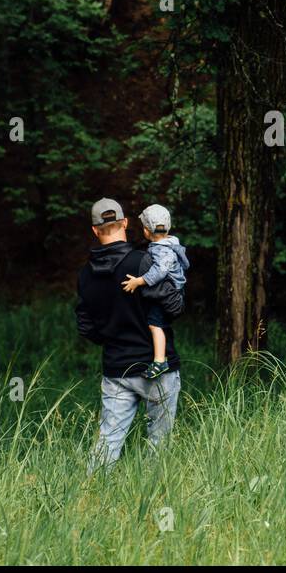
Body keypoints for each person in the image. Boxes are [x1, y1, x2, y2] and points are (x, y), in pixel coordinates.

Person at [75, 197, 181, 473]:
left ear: (95, 230)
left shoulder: (85, 275)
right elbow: (174, 306)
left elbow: (86, 327)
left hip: (116, 370)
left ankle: (90, 498)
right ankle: (153, 499)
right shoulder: (145, 261)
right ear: (124, 223)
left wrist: (113, 338)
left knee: (107, 441)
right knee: (159, 445)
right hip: (157, 368)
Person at [120, 203, 190, 379]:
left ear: (146, 231)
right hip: (174, 292)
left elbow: (160, 271)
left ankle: (160, 361)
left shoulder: (162, 249)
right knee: (157, 324)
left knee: (155, 324)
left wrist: (139, 281)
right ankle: (160, 357)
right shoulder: (170, 243)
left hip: (171, 294)